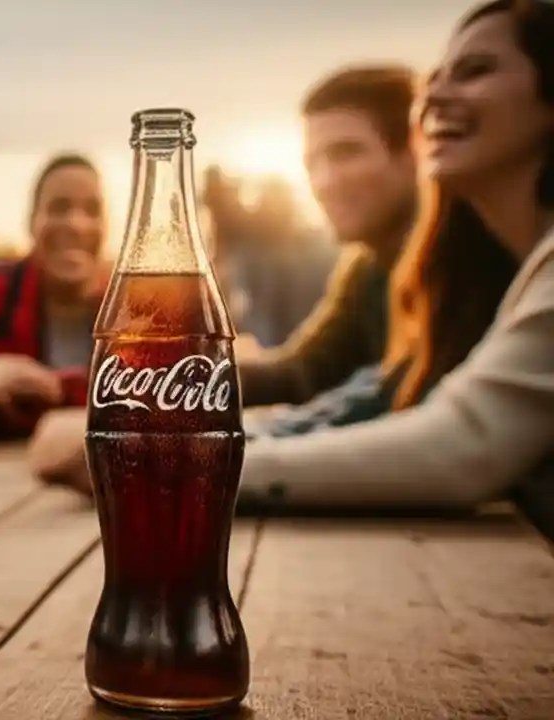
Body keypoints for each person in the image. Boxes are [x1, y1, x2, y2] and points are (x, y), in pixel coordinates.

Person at [31, 0, 554, 528]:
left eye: (477, 71)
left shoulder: (504, 271)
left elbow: (457, 443)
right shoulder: (426, 270)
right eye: (313, 163)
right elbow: (351, 394)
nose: (434, 96)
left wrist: (169, 460)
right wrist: (156, 425)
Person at [239, 65, 420, 407]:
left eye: (346, 153)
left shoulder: (467, 254)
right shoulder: (366, 268)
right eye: (311, 164)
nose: (323, 182)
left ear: (414, 150)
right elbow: (302, 373)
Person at [0, 154, 108, 438]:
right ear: (31, 221)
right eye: (59, 208)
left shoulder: (140, 311)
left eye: (92, 210)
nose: (76, 225)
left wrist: (53, 388)